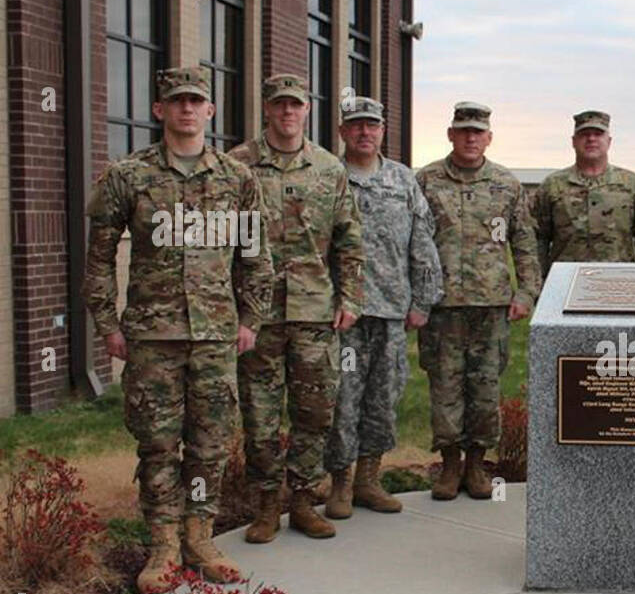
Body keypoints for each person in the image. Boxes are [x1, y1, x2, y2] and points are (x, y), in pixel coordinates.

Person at [82, 66, 273, 594]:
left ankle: (200, 537)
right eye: (176, 101)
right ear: (159, 110)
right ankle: (163, 545)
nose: (187, 109)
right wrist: (107, 325)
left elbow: (256, 257)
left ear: (210, 111)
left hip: (215, 334)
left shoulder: (238, 179)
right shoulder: (128, 175)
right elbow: (98, 259)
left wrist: (249, 319)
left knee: (210, 443)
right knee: (158, 443)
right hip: (152, 336)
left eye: (197, 101)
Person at [228, 74, 364, 542]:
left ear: (308, 110)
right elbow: (222, 245)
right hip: (258, 315)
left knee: (313, 413)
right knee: (261, 414)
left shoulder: (329, 169)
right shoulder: (238, 166)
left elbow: (349, 240)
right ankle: (266, 506)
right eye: (279, 105)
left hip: (314, 311)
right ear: (266, 109)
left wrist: (350, 298)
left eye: (296, 105)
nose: (288, 113)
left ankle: (304, 500)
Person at [323, 96, 443, 519]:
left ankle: (369, 480)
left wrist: (423, 301)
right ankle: (339, 481)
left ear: (382, 131)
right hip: (343, 314)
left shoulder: (403, 180)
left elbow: (422, 241)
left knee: (383, 396)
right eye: (356, 125)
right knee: (343, 396)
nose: (364, 132)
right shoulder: (327, 176)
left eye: (372, 125)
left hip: (392, 311)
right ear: (342, 132)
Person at [415, 102, 542, 500]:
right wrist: (415, 297)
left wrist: (526, 292)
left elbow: (524, 241)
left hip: (491, 306)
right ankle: (450, 464)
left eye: (478, 132)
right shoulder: (427, 181)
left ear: (489, 137)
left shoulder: (507, 184)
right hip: (442, 305)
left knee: (485, 388)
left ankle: (477, 464)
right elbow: (413, 241)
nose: (471, 138)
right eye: (463, 131)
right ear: (450, 135)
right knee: (445, 385)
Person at [532, 110, 635, 277]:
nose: (591, 139)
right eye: (584, 134)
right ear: (573, 141)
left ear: (609, 141)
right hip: (565, 283)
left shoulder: (631, 184)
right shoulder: (552, 186)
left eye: (598, 134)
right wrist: (538, 284)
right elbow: (537, 241)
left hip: (618, 284)